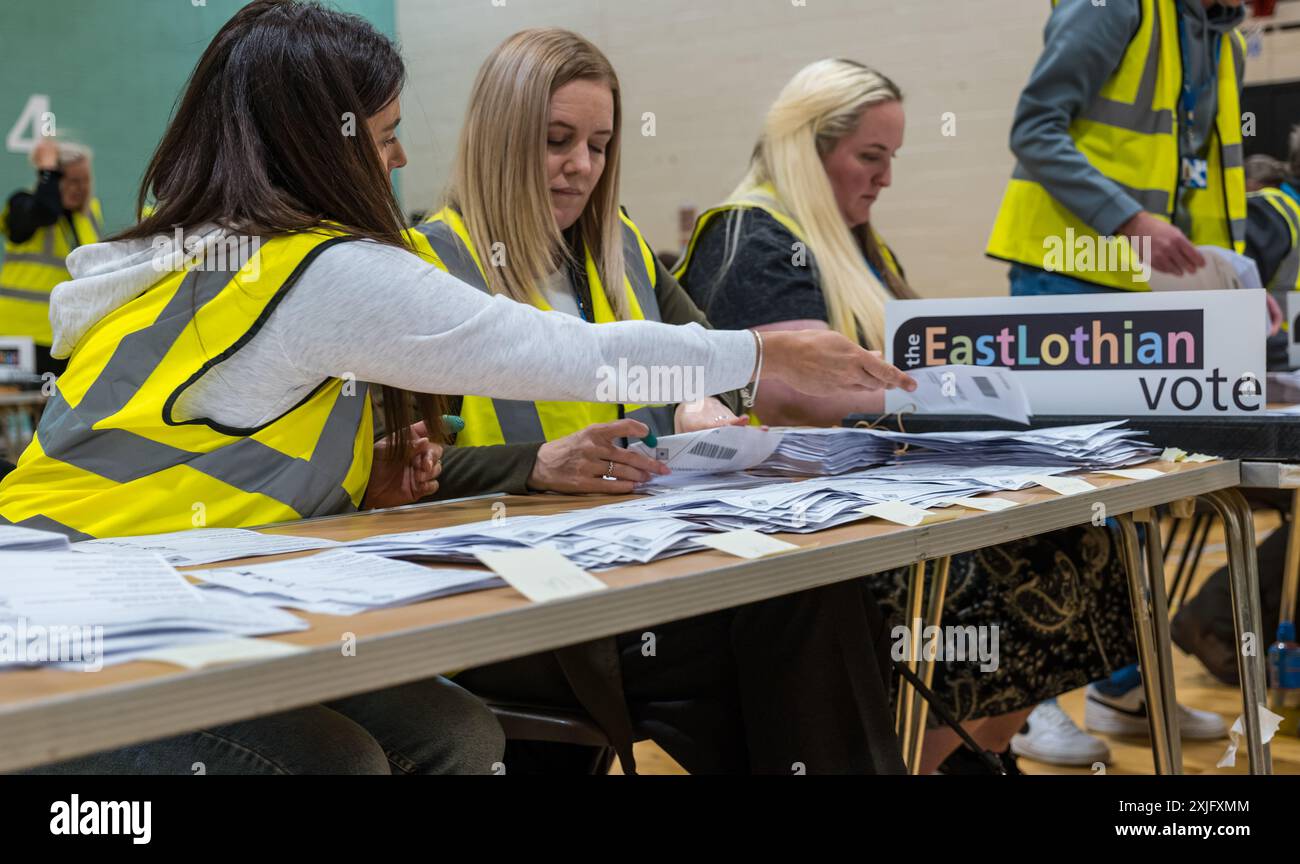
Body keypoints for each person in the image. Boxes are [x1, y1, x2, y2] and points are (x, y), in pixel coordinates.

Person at [5, 0, 911, 773]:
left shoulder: (182, 256)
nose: (396, 162)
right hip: (81, 629)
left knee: (454, 733)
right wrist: (756, 354)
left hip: (156, 595)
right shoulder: (319, 271)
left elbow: (207, 449)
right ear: (324, 145)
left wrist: (354, 479)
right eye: (388, 137)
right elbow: (554, 352)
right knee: (342, 761)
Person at [676, 57, 1226, 773]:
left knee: (1091, 546)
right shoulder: (751, 238)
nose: (886, 177)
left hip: (886, 499)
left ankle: (972, 748)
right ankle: (931, 755)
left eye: (892, 158)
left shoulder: (855, 241)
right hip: (811, 528)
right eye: (870, 156)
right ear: (805, 149)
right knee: (1014, 571)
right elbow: (806, 397)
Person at [416, 28, 912, 775]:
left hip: (643, 564)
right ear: (498, 138)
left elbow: (709, 363)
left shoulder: (620, 248)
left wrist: (706, 410)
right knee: (800, 614)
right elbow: (396, 476)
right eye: (556, 140)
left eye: (601, 144)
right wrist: (534, 464)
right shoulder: (426, 265)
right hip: (510, 594)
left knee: (824, 590)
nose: (581, 166)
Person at [987, 0, 1249, 295]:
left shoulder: (1230, 45)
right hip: (1065, 270)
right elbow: (1033, 131)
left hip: (1154, 283)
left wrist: (1229, 286)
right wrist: (1130, 222)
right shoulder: (1112, 6)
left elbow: (1197, 181)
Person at [0, 137, 102, 377]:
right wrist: (47, 168)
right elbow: (45, 210)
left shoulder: (90, 215)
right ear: (53, 178)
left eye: (83, 181)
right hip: (19, 336)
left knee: (54, 410)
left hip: (65, 338)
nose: (78, 188)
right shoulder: (22, 205)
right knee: (16, 407)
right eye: (70, 180)